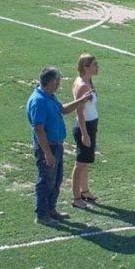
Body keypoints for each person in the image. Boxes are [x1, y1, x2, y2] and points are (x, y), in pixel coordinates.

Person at [26, 66, 93, 227]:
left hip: (56, 145)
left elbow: (62, 109)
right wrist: (47, 153)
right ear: (51, 82)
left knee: (55, 180)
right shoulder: (39, 101)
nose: (59, 84)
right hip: (48, 147)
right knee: (45, 181)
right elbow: (38, 129)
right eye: (58, 81)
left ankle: (51, 209)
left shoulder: (49, 96)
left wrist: (81, 100)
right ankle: (42, 214)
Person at [70, 54, 100, 209]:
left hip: (90, 124)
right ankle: (76, 197)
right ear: (85, 67)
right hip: (85, 126)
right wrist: (84, 133)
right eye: (94, 64)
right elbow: (79, 112)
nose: (97, 67)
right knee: (80, 163)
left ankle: (85, 191)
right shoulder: (83, 86)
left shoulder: (86, 81)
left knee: (85, 162)